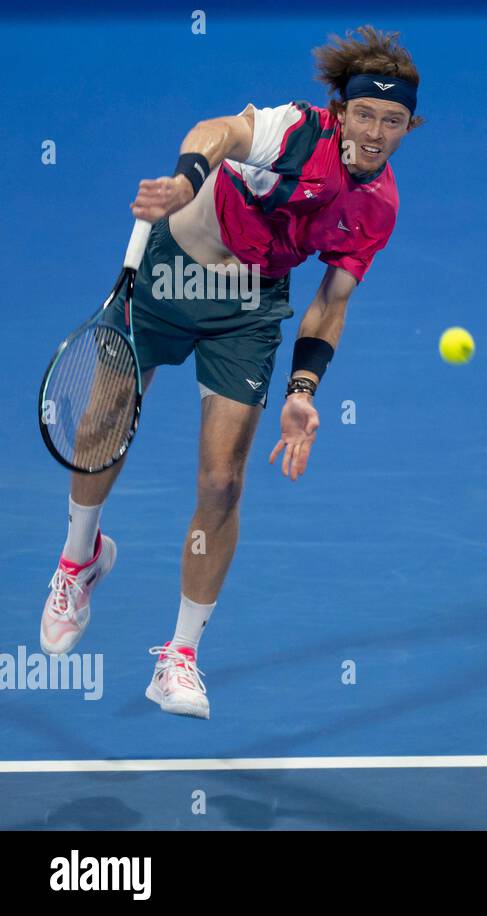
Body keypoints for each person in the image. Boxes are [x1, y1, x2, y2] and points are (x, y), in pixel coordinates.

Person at [38, 25, 422, 719]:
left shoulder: (378, 207)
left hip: (246, 309)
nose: (374, 131)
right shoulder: (294, 131)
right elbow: (218, 130)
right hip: (167, 275)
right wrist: (187, 178)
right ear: (341, 112)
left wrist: (304, 391)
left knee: (222, 481)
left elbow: (332, 303)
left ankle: (179, 658)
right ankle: (78, 559)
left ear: (406, 129)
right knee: (100, 421)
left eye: (392, 122)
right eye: (364, 114)